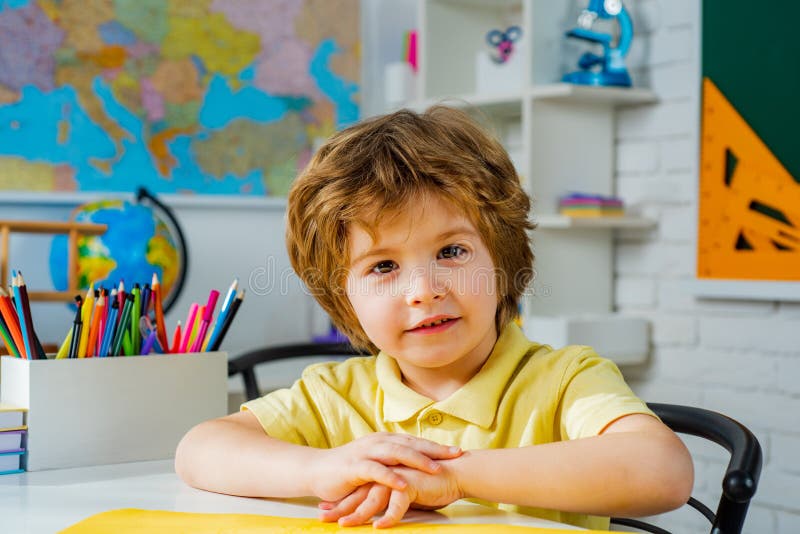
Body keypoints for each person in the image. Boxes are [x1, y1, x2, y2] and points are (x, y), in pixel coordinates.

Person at [175, 106, 693, 530]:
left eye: (452, 252)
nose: (424, 291)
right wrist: (322, 468)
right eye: (383, 266)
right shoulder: (334, 396)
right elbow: (199, 450)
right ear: (343, 297)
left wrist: (457, 476)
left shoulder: (563, 381)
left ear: (501, 258)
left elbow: (662, 472)